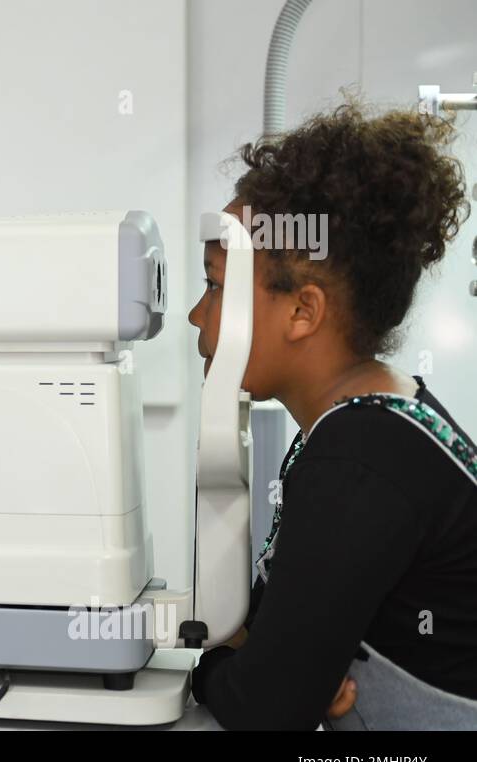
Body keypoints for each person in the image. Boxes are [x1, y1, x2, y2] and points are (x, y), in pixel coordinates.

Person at [188, 103, 477, 729]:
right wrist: (264, 668)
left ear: (303, 312)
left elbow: (263, 704)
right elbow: (264, 637)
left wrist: (204, 673)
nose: (195, 316)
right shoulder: (370, 425)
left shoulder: (361, 459)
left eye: (215, 286)